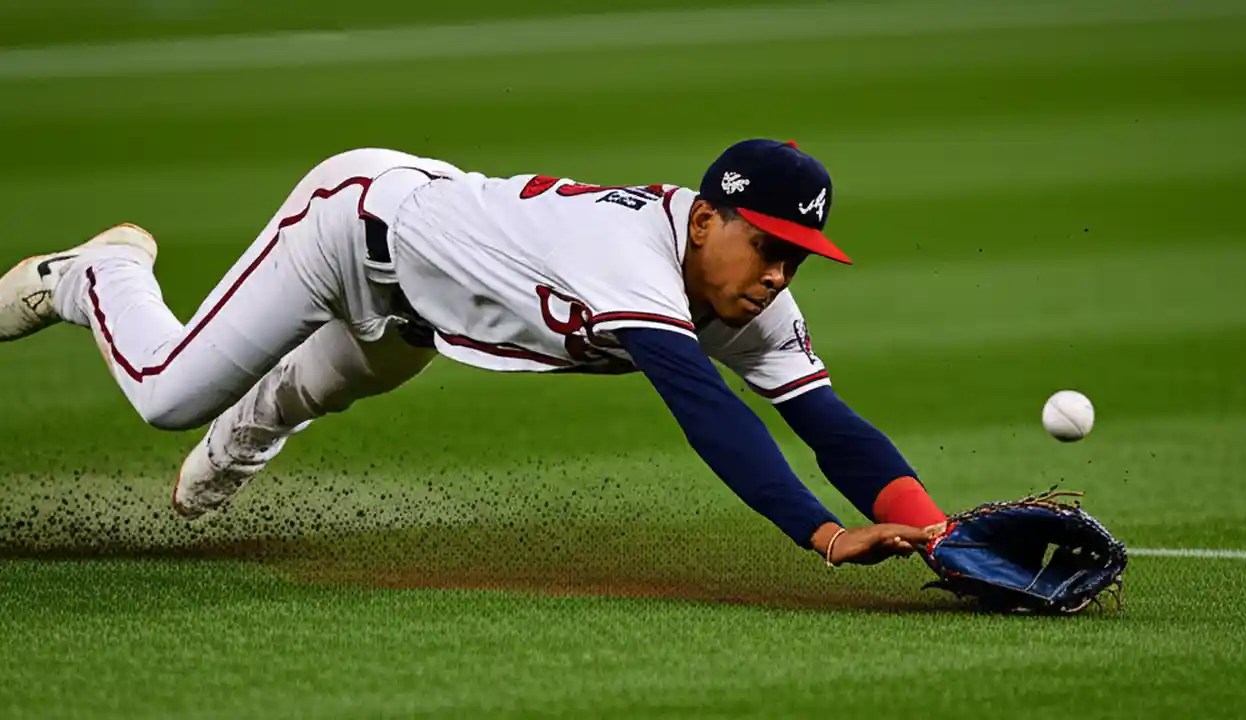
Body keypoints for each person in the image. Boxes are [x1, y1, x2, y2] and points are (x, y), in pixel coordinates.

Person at [0, 140, 945, 567]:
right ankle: (99, 274)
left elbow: (827, 423)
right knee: (169, 395)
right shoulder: (629, 256)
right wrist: (822, 535)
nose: (780, 273)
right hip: (350, 229)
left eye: (798, 257)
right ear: (705, 219)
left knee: (328, 385)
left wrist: (938, 533)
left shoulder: (754, 303)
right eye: (767, 245)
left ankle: (247, 439)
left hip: (424, 299)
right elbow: (708, 410)